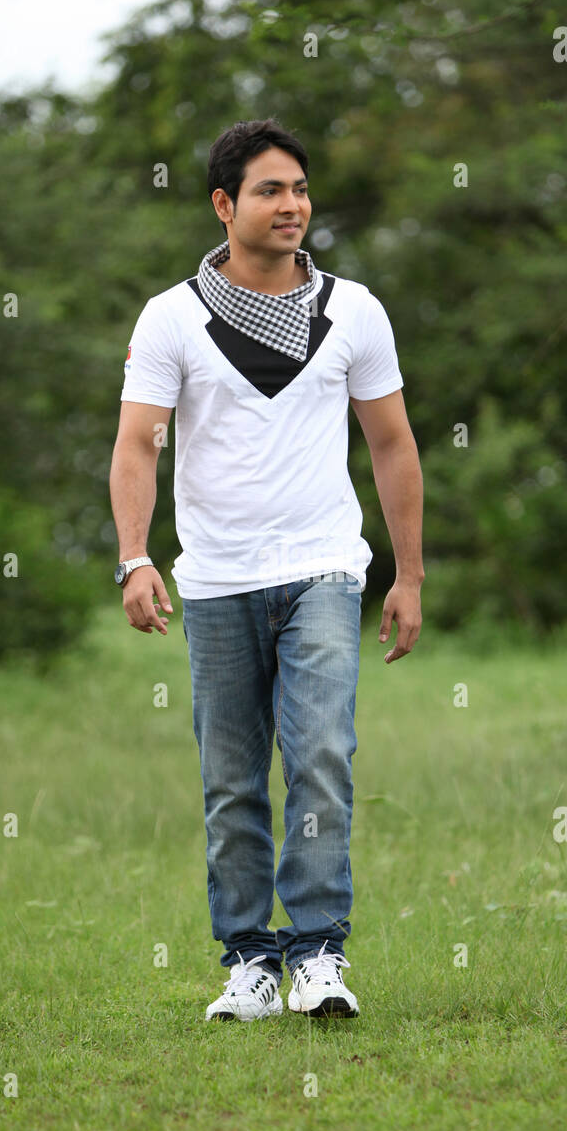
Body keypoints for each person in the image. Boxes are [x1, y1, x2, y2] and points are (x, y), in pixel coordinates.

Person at [109, 118, 424, 1021]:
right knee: (232, 776)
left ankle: (319, 955)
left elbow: (394, 444)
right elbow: (138, 445)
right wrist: (135, 556)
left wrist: (408, 575)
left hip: (326, 568)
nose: (292, 206)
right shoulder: (172, 317)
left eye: (300, 189)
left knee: (321, 753)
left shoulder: (353, 310)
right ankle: (248, 961)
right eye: (270, 191)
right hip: (215, 580)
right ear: (224, 204)